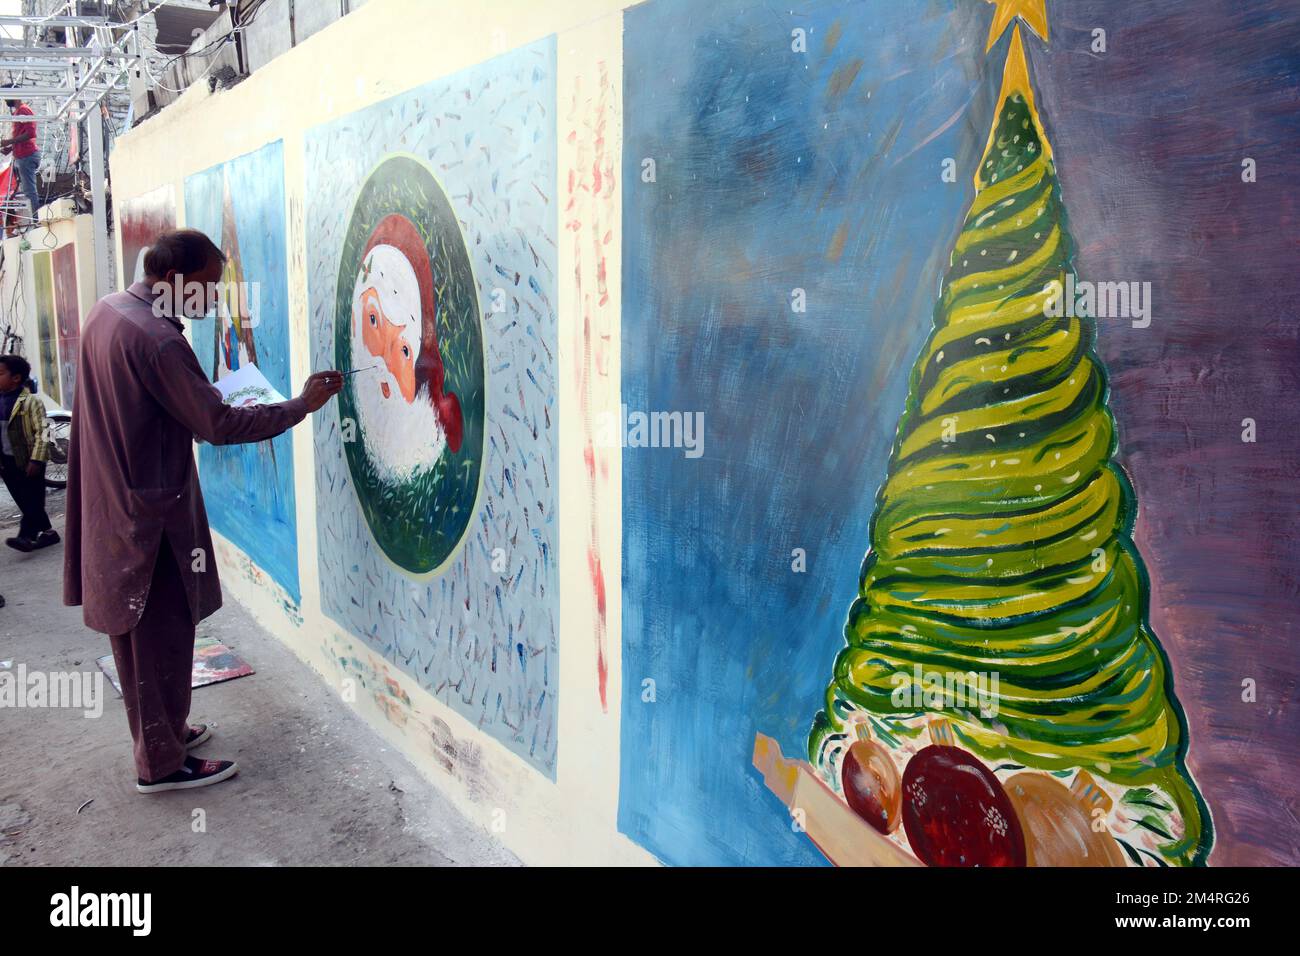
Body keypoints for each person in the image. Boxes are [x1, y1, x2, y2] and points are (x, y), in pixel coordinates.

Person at [63, 228, 343, 793]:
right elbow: (219, 425)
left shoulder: (112, 310)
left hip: (118, 499)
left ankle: (168, 731)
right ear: (174, 280)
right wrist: (300, 405)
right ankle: (161, 765)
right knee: (154, 630)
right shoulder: (159, 341)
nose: (214, 298)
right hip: (147, 513)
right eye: (208, 285)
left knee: (159, 630)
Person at [0, 353, 57, 552]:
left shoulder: (31, 402)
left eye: (0, 374)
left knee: (33, 500)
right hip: (6, 463)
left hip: (29, 461)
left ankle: (26, 536)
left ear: (16, 378)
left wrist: (38, 460)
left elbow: (45, 432)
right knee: (25, 501)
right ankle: (49, 533)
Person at [1, 95, 43, 225]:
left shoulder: (23, 110)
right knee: (22, 191)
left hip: (27, 156)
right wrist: (9, 148)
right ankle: (28, 221)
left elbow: (31, 133)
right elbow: (22, 136)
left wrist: (10, 141)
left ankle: (36, 221)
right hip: (22, 156)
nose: (5, 100)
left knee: (29, 191)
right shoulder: (19, 112)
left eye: (7, 96)